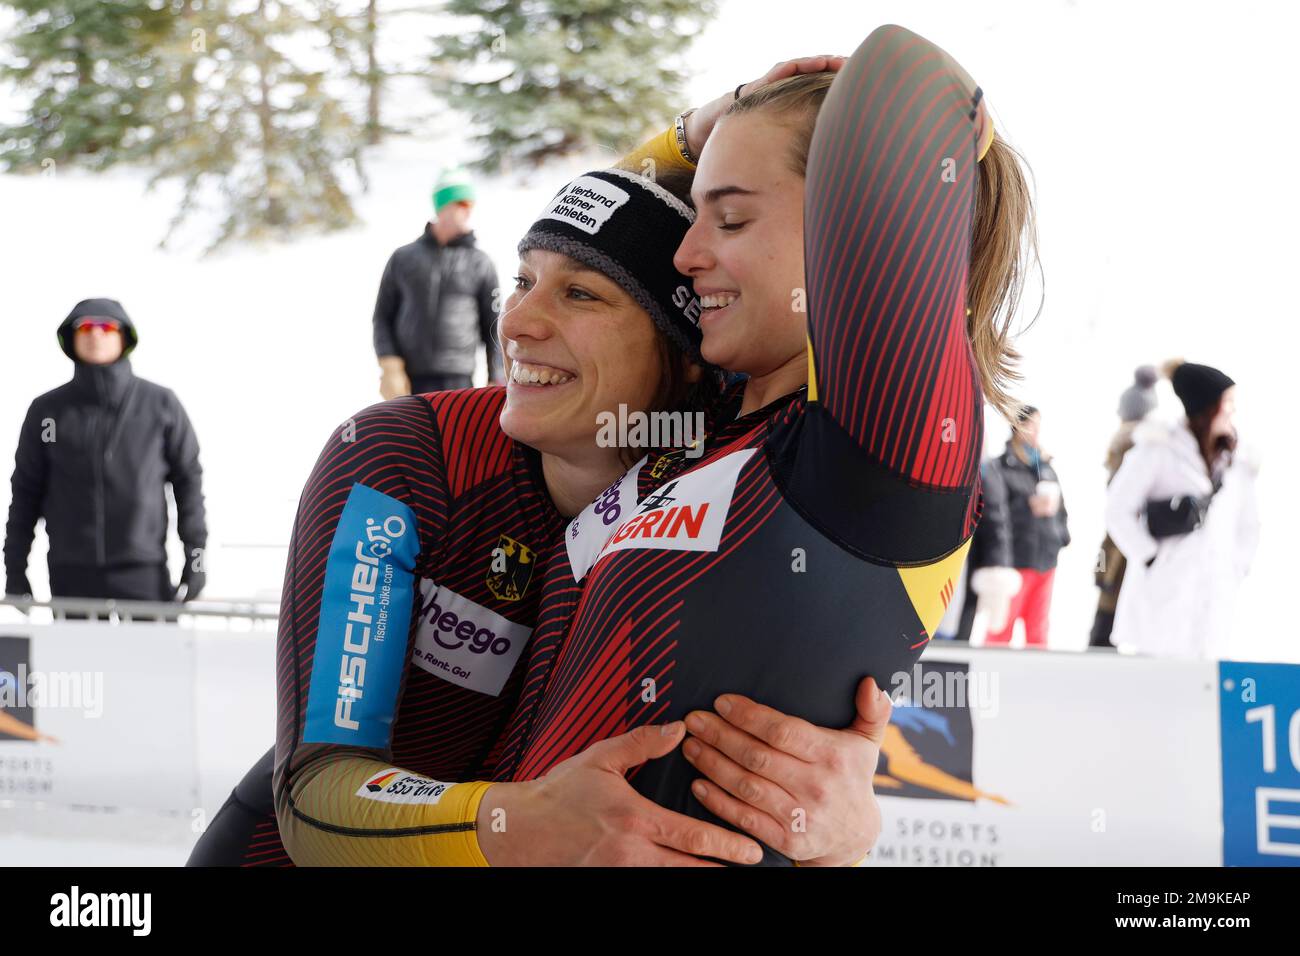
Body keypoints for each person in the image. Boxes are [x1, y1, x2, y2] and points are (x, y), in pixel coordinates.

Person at [192, 65, 896, 863]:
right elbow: (315, 795)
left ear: (689, 350)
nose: (518, 322)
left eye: (582, 295)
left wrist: (841, 832)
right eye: (523, 281)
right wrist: (696, 131)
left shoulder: (737, 475)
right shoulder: (408, 459)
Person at [479, 25, 1039, 866]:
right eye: (698, 211)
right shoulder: (706, 423)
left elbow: (916, 86)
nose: (687, 252)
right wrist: (699, 132)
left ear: (854, 229)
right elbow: (592, 228)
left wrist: (944, 130)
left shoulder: (877, 447)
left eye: (731, 218)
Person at [4, 299, 207, 612]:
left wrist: (196, 558)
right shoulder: (48, 414)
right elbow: (26, 491)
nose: (95, 334)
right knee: (75, 662)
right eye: (84, 326)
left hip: (143, 572)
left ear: (124, 336)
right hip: (71, 573)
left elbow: (188, 483)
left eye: (106, 326)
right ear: (70, 338)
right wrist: (15, 571)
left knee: (152, 660)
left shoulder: (160, 405)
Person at [1104, 361, 1260, 659]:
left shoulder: (1237, 461)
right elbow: (1117, 509)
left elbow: (1250, 523)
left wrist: (1237, 567)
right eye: (1227, 403)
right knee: (1157, 684)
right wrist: (1150, 556)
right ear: (1207, 407)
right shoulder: (1158, 448)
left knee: (1206, 683)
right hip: (1164, 591)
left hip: (1215, 593)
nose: (1233, 411)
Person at [374, 167, 504, 398]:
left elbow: (494, 326)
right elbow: (382, 317)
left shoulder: (480, 263)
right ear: (443, 206)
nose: (468, 211)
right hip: (408, 380)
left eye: (470, 205)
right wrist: (390, 366)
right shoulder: (403, 258)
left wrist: (497, 375)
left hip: (458, 380)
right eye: (461, 204)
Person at [980, 406, 1070, 647]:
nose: (1035, 431)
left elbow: (1062, 510)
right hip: (1016, 561)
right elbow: (995, 512)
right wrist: (1026, 506)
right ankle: (993, 676)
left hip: (1046, 561)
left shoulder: (1046, 467)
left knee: (1038, 629)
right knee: (1001, 628)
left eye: (1038, 425)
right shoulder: (1001, 466)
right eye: (1030, 424)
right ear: (1016, 427)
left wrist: (1060, 537)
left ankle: (1037, 680)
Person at [1090, 365, 1159, 647]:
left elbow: (1114, 526)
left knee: (1109, 621)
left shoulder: (1130, 447)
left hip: (1126, 553)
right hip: (1127, 550)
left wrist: (1101, 569)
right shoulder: (1141, 444)